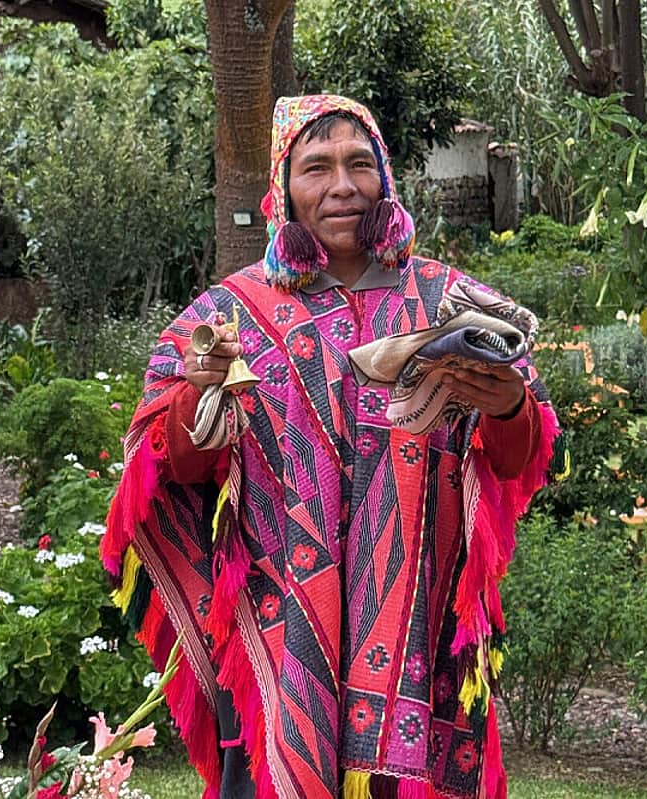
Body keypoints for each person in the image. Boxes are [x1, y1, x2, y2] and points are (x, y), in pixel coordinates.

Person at [101, 95, 557, 799]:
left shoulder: (454, 304)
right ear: (283, 189)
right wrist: (200, 390)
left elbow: (521, 456)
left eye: (359, 164)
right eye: (316, 167)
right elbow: (173, 470)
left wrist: (507, 403)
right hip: (278, 643)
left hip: (423, 641)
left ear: (386, 180)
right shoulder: (226, 315)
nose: (342, 185)